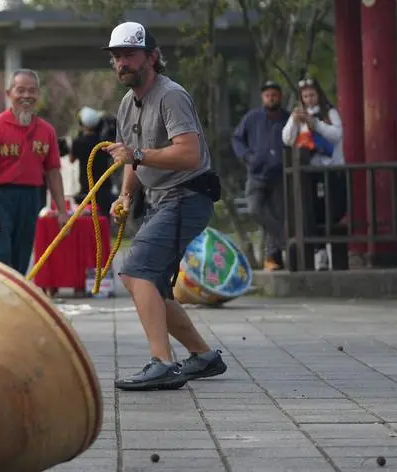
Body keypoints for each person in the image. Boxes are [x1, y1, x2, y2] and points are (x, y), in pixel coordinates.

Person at [100, 21, 227, 391]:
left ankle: (163, 363)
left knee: (135, 272)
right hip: (161, 200)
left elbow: (188, 154)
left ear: (152, 57)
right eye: (116, 56)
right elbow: (132, 160)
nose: (122, 63)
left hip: (187, 196)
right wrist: (126, 195)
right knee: (154, 285)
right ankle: (203, 358)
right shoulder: (128, 103)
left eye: (129, 55)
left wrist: (136, 154)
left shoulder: (170, 96)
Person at [0, 68, 69, 274]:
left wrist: (62, 210)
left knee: (22, 255)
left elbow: (53, 172)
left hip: (31, 197)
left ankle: (13, 302)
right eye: (20, 90)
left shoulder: (46, 131)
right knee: (0, 253)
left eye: (32, 91)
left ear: (38, 95)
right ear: (9, 94)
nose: (26, 96)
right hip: (0, 198)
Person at [281, 78, 345, 271]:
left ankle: (333, 251)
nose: (309, 99)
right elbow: (287, 139)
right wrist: (294, 121)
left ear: (318, 94)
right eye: (305, 96)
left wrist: (315, 124)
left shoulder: (329, 112)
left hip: (331, 170)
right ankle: (319, 253)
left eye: (312, 95)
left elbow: (337, 135)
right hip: (310, 173)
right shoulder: (299, 115)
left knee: (334, 210)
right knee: (312, 213)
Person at [231, 81, 290, 271]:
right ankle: (285, 237)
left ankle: (273, 259)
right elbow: (237, 138)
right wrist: (248, 156)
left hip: (280, 174)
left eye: (274, 94)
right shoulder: (252, 117)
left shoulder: (288, 118)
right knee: (255, 209)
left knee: (276, 214)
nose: (271, 98)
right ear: (262, 97)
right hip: (257, 174)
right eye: (267, 95)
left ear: (280, 96)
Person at [70, 106, 114, 216]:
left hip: (86, 188)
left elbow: (71, 159)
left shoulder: (78, 142)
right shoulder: (104, 142)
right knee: (103, 221)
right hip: (104, 187)